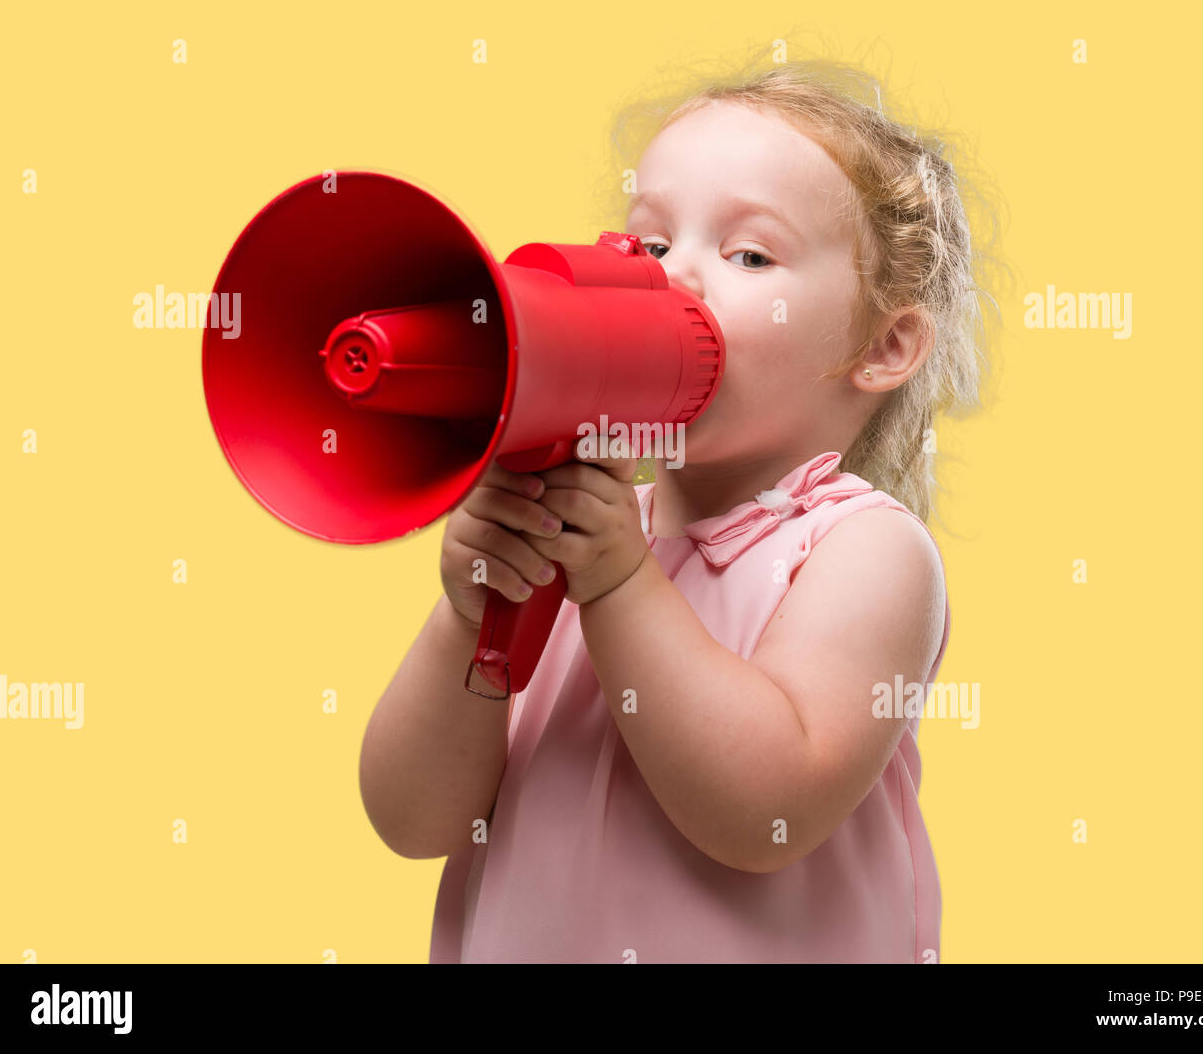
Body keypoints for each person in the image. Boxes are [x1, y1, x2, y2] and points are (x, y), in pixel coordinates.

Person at [360, 58, 999, 962]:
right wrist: (470, 615)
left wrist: (620, 582)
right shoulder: (591, 528)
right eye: (651, 247)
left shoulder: (861, 550)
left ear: (883, 345)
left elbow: (763, 812)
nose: (674, 281)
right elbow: (414, 817)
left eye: (749, 254)